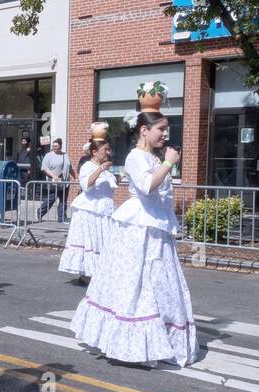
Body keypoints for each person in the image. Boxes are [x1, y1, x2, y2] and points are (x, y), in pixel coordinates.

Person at [71, 110, 197, 367]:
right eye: (160, 129)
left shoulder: (152, 156)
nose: (164, 134)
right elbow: (146, 185)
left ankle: (160, 338)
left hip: (155, 230)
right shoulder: (135, 156)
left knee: (158, 284)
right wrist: (169, 163)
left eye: (165, 129)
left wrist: (165, 164)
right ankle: (131, 341)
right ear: (144, 130)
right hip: (139, 230)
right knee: (137, 283)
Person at [59, 134, 116, 281]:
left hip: (104, 210)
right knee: (90, 241)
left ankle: (100, 273)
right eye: (105, 150)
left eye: (109, 150)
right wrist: (100, 169)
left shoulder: (106, 169)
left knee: (103, 241)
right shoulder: (87, 166)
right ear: (94, 152)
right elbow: (86, 185)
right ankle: (86, 275)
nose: (108, 153)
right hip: (90, 210)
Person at [37, 137, 72, 222]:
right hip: (54, 182)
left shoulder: (65, 155)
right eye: (53, 146)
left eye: (56, 146)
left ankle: (62, 218)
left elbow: (69, 167)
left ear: (60, 146)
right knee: (51, 199)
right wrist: (53, 176)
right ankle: (40, 212)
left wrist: (74, 176)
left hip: (65, 181)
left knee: (63, 200)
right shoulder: (49, 155)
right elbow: (44, 168)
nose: (54, 147)